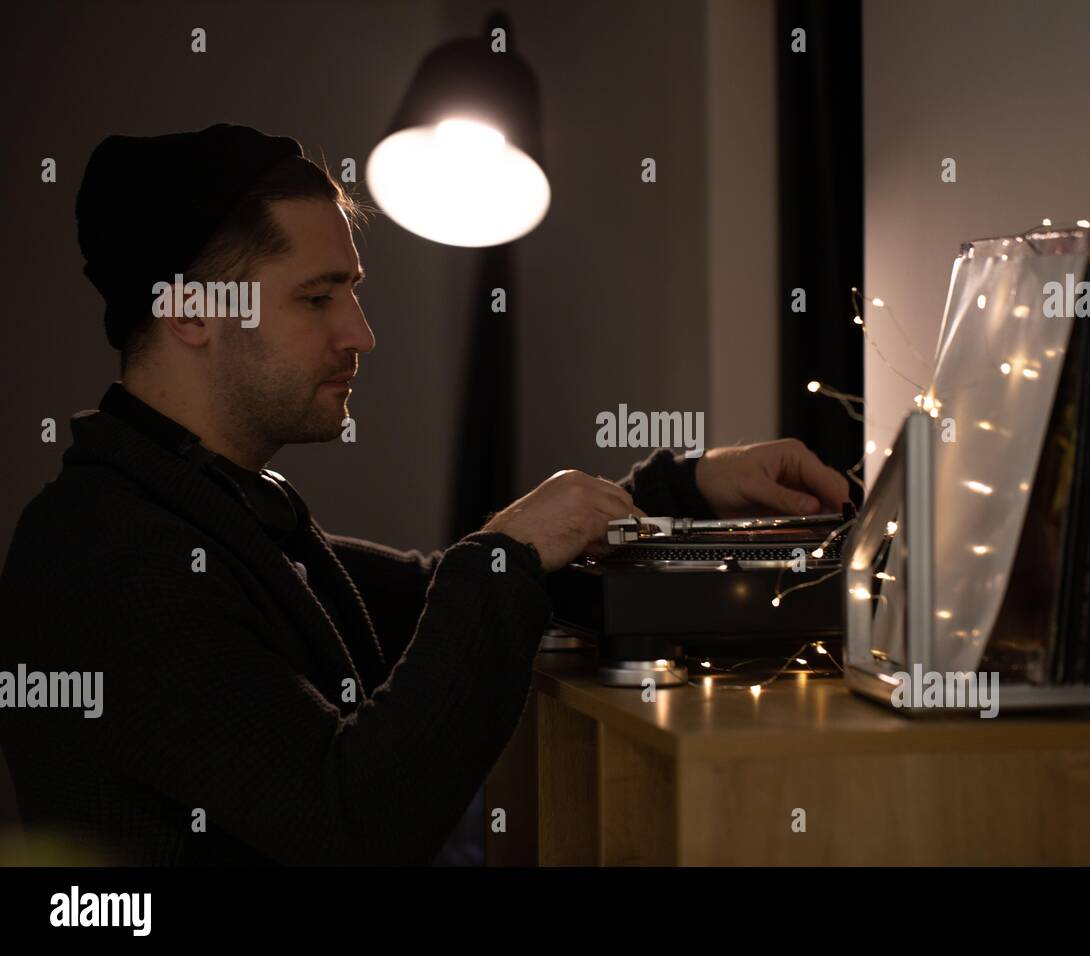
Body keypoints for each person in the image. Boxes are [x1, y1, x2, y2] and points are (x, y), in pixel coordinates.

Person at [0, 124, 849, 865]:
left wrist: (678, 486)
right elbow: (353, 827)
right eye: (318, 297)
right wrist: (505, 552)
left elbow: (434, 591)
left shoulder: (218, 506)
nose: (360, 333)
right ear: (189, 308)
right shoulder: (111, 555)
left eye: (353, 292)